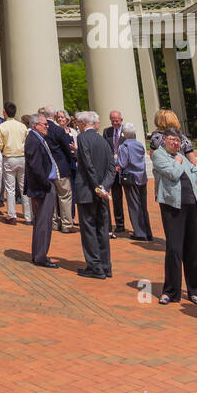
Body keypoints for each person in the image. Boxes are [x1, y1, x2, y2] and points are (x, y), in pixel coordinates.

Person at [151, 129, 197, 306]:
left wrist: (182, 163)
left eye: (178, 141)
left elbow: (194, 172)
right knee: (174, 248)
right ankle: (171, 291)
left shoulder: (179, 155)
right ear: (164, 140)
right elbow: (173, 174)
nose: (176, 143)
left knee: (193, 248)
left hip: (191, 204)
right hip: (172, 206)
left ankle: (195, 291)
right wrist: (179, 162)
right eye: (172, 140)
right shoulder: (159, 155)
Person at [73, 110, 115, 278]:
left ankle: (95, 267)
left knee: (89, 228)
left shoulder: (82, 138)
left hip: (88, 191)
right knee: (102, 229)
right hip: (102, 193)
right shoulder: (104, 141)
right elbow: (112, 167)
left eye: (78, 123)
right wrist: (104, 188)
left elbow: (88, 165)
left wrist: (97, 188)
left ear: (83, 123)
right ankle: (106, 266)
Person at [24, 114, 60, 268]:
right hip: (42, 187)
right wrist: (46, 184)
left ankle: (39, 253)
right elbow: (35, 165)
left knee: (42, 222)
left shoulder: (37, 138)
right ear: (35, 125)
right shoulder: (33, 139)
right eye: (44, 124)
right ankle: (40, 256)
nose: (47, 126)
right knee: (43, 223)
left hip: (45, 184)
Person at [0, 101, 32, 225]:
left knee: (10, 189)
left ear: (5, 112)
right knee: (24, 188)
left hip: (9, 157)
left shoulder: (2, 127)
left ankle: (12, 215)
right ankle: (28, 216)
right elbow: (27, 142)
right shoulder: (22, 126)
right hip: (22, 158)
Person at [42, 103, 74, 232]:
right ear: (55, 115)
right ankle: (66, 224)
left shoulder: (42, 130)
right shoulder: (59, 130)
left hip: (47, 167)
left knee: (52, 197)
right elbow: (67, 149)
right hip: (60, 166)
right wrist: (69, 160)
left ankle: (54, 223)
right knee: (65, 196)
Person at [117, 123, 152, 241]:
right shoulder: (140, 145)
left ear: (124, 134)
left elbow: (122, 163)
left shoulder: (124, 146)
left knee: (134, 205)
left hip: (130, 177)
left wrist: (115, 159)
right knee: (143, 205)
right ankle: (148, 231)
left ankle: (140, 233)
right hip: (141, 176)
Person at [102, 109, 127, 237]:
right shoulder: (107, 131)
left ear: (121, 120)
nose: (114, 123)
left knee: (125, 197)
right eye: (112, 121)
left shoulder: (127, 131)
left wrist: (121, 163)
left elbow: (130, 148)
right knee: (116, 198)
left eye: (116, 121)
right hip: (112, 169)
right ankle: (119, 224)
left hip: (125, 169)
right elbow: (105, 148)